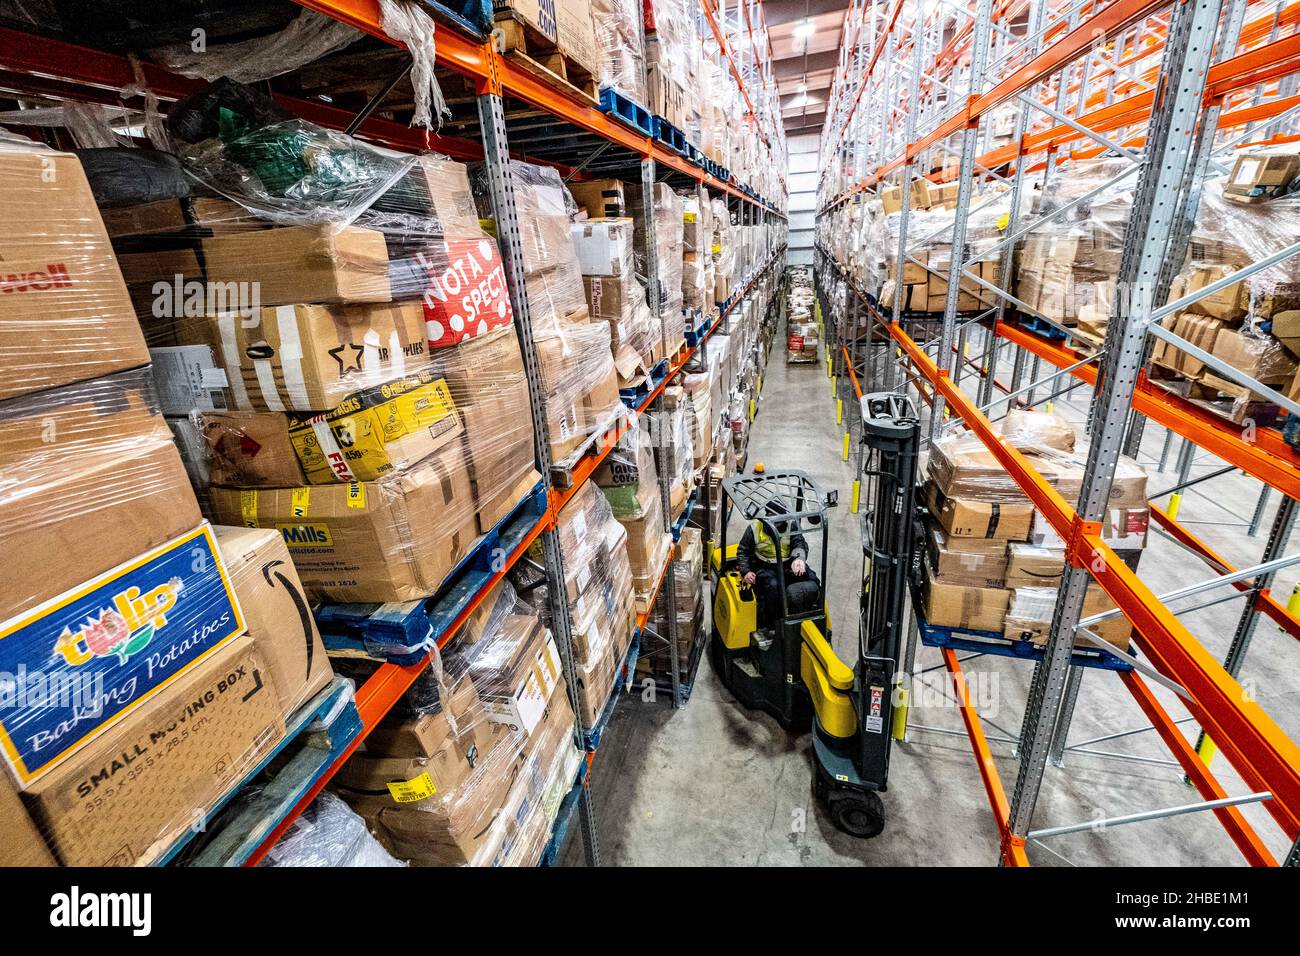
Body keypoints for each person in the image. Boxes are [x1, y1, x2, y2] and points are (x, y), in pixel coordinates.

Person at [734, 502, 820, 629]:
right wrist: (746, 571)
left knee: (811, 577)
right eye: (771, 517)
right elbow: (743, 551)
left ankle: (810, 615)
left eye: (778, 519)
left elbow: (799, 543)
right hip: (764, 566)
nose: (775, 523)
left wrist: (799, 559)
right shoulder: (755, 528)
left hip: (787, 564)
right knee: (773, 586)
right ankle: (772, 625)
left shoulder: (791, 525)